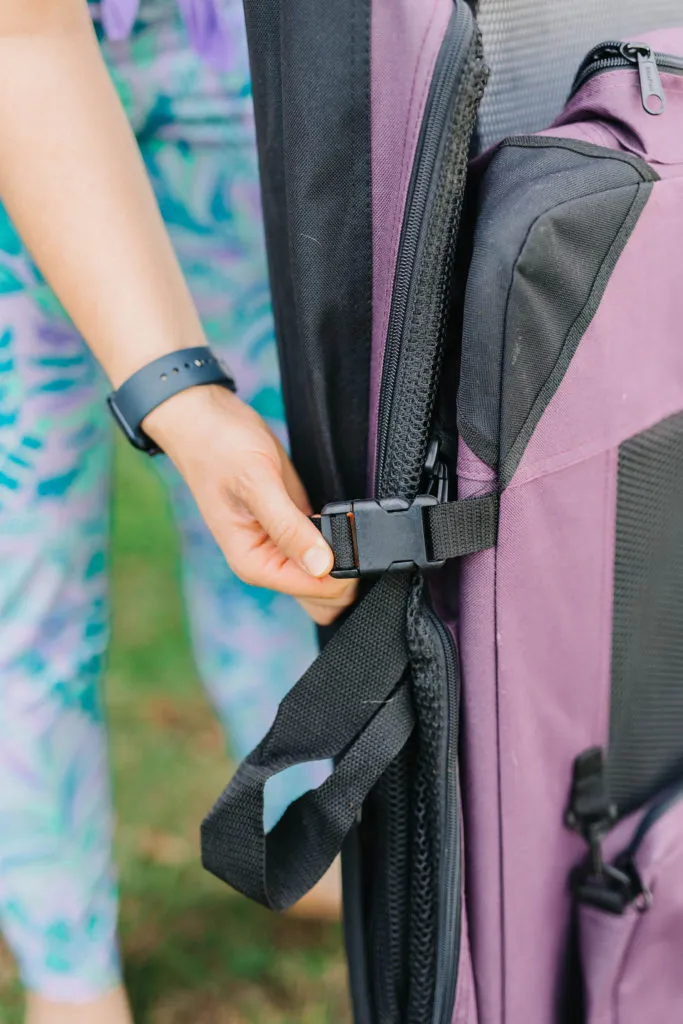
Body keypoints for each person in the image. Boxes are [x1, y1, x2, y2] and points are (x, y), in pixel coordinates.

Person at [0, 2, 357, 1022]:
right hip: (14, 71)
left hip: (220, 58)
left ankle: (301, 820)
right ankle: (68, 965)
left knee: (276, 508)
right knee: (27, 579)